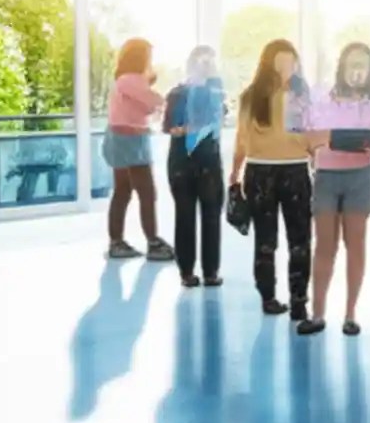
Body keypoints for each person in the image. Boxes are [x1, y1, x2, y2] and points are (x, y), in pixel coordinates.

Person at [299, 42, 370, 337]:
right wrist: (327, 140)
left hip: (359, 176)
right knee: (325, 245)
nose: (357, 70)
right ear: (343, 66)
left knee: (356, 244)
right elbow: (308, 135)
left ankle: (351, 314)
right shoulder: (324, 97)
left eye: (362, 64)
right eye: (352, 64)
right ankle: (318, 313)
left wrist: (369, 143)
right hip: (327, 175)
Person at [230, 39, 316, 320]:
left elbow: (241, 140)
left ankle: (268, 298)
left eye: (290, 62)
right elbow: (307, 137)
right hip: (293, 171)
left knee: (265, 239)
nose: (287, 68)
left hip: (258, 172)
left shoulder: (250, 96)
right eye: (285, 62)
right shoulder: (299, 96)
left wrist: (235, 173)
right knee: (299, 238)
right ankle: (299, 301)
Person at [102, 38, 175, 262]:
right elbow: (154, 102)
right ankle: (153, 242)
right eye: (149, 57)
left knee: (122, 191)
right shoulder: (131, 80)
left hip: (121, 138)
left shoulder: (124, 81)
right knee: (147, 192)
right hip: (131, 140)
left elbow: (142, 106)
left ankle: (117, 242)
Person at [163, 46, 226, 287]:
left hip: (205, 158)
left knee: (209, 215)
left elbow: (219, 116)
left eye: (210, 62)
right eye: (202, 62)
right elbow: (171, 125)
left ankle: (208, 271)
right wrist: (186, 128)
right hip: (185, 158)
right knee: (186, 214)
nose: (206, 66)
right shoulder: (178, 93)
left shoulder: (216, 90)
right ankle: (189, 271)